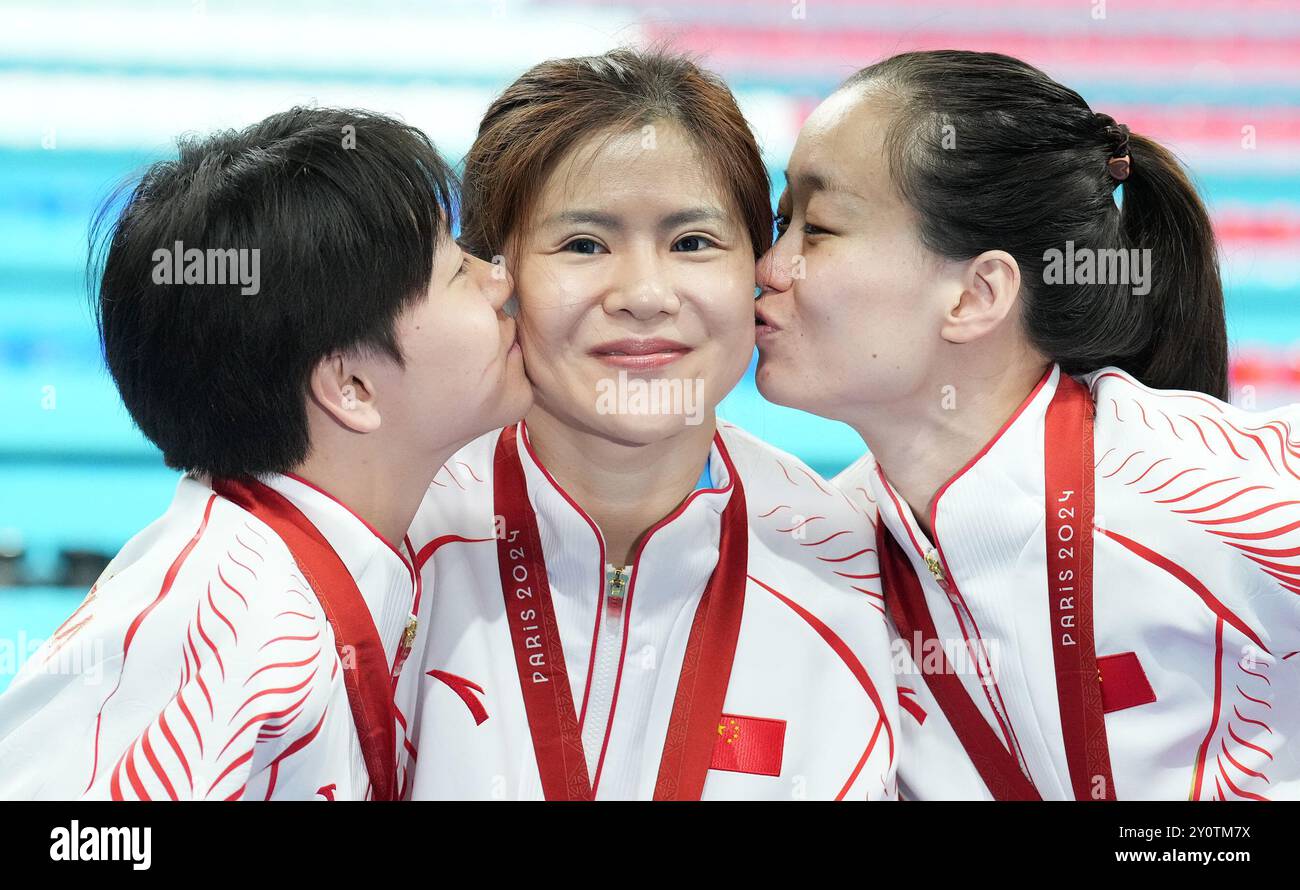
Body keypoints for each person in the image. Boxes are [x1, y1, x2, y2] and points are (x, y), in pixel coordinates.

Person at [754, 49, 1300, 800]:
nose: (769, 268)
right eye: (782, 223)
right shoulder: (822, 556)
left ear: (975, 295)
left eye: (814, 228)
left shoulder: (1202, 493)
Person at [398, 49, 898, 800]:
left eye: (692, 243)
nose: (644, 294)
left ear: (757, 271)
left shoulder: (855, 571)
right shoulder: (400, 542)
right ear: (496, 279)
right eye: (584, 245)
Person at [0, 107, 530, 800]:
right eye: (457, 269)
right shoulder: (246, 627)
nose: (501, 279)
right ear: (351, 385)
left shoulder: (301, 577)